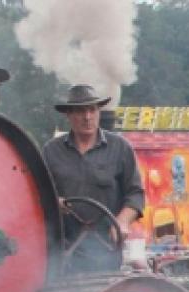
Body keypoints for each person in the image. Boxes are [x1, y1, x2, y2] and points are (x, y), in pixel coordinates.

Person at [43, 84, 145, 272]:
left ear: (99, 111)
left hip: (106, 249)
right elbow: (39, 194)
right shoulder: (51, 151)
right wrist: (54, 201)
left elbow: (136, 194)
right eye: (81, 111)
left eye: (92, 110)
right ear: (68, 115)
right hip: (64, 250)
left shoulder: (120, 148)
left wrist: (121, 222)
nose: (87, 117)